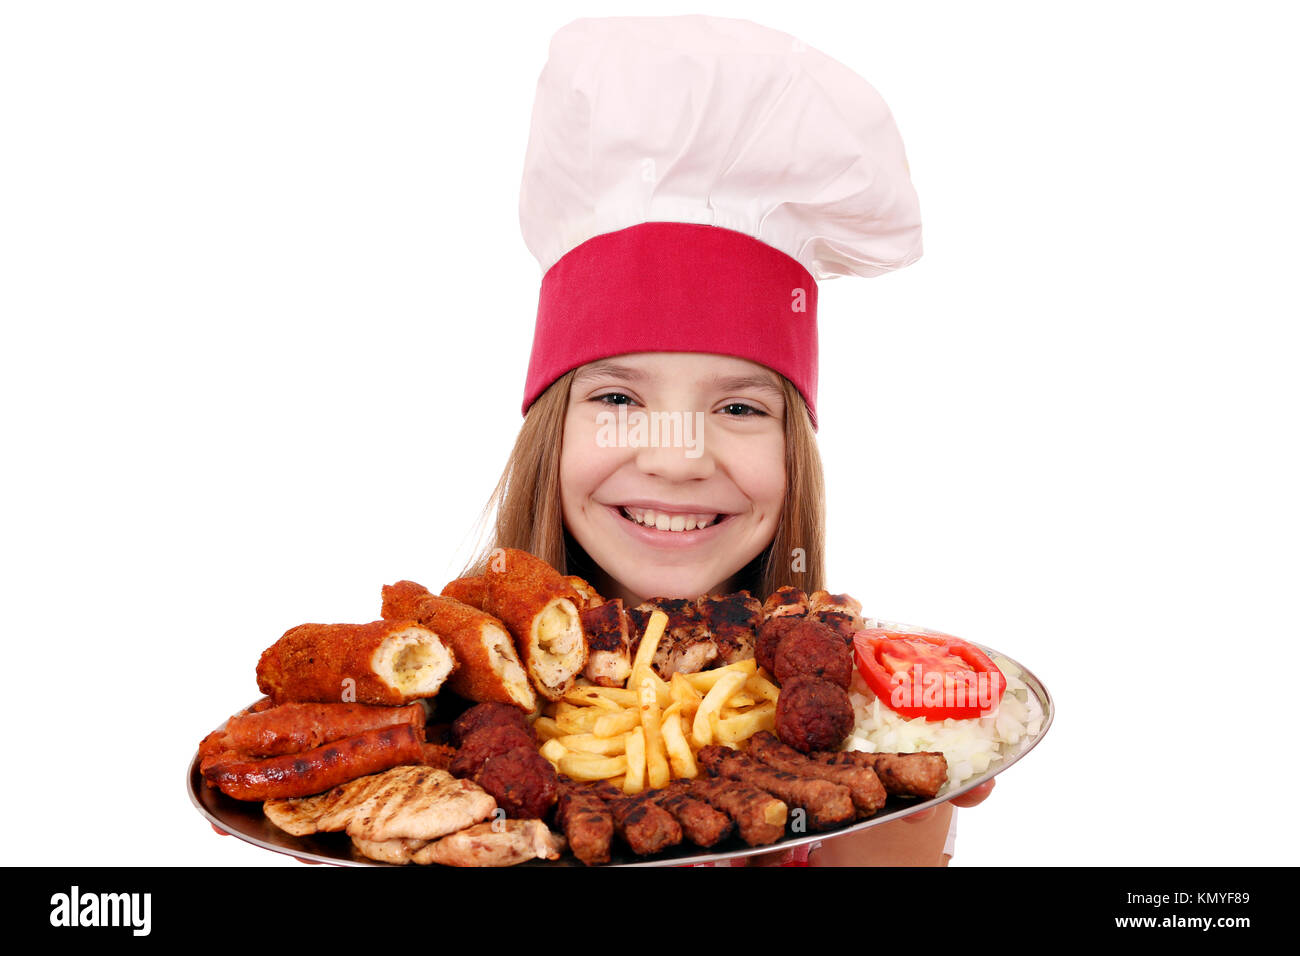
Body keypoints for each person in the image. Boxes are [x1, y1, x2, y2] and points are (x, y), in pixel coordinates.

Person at [456, 15, 994, 865]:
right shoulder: (432, 723)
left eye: (740, 409)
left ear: (795, 457)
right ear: (549, 433)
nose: (676, 456)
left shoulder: (860, 734)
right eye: (620, 397)